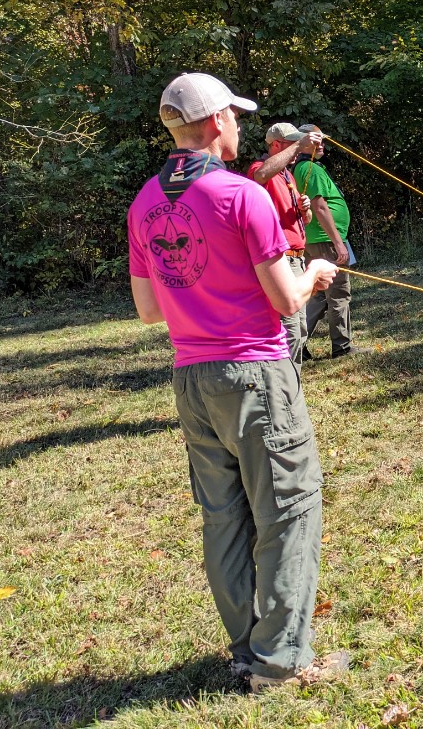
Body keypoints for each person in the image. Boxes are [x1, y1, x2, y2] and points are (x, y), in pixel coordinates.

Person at [127, 73, 349, 689]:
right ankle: (281, 661)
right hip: (255, 375)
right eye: (236, 116)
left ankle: (249, 649)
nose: (240, 126)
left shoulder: (145, 201)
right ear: (217, 121)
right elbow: (284, 301)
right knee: (288, 509)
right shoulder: (240, 196)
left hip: (191, 380)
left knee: (224, 518)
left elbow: (149, 310)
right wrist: (315, 273)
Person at [248, 123, 321, 364]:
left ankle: (292, 383)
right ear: (276, 145)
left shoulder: (287, 174)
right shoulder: (261, 168)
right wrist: (301, 145)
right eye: (293, 144)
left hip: (297, 257)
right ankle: (285, 388)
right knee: (290, 330)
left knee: (300, 328)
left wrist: (305, 210)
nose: (298, 150)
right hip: (282, 259)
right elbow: (259, 175)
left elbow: (302, 220)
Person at [292, 125, 356, 359]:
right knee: (338, 293)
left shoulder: (302, 167)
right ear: (304, 143)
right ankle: (343, 347)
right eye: (316, 141)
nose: (322, 146)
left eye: (323, 141)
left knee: (318, 294)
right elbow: (319, 206)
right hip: (326, 241)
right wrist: (338, 243)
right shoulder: (309, 168)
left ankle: (297, 346)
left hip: (316, 240)